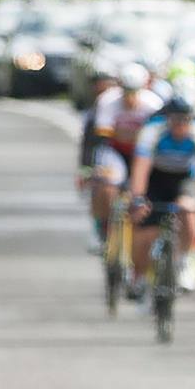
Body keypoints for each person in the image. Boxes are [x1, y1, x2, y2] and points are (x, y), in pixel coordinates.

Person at [128, 94, 195, 296]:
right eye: (176, 120)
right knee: (146, 232)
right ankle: (139, 275)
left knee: (187, 209)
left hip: (185, 179)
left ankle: (185, 259)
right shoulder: (152, 132)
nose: (180, 126)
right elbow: (140, 170)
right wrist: (138, 198)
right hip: (156, 179)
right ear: (168, 120)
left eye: (185, 120)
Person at [89, 63, 164, 272]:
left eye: (135, 92)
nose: (130, 97)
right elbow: (102, 136)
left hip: (142, 153)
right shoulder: (108, 101)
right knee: (107, 183)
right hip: (115, 150)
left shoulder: (153, 104)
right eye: (126, 92)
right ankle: (103, 227)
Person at [76, 66, 120, 253]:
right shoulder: (94, 112)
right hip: (106, 152)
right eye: (99, 86)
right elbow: (89, 142)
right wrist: (85, 168)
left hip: (128, 153)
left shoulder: (121, 101)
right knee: (100, 183)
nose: (103, 89)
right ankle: (99, 228)